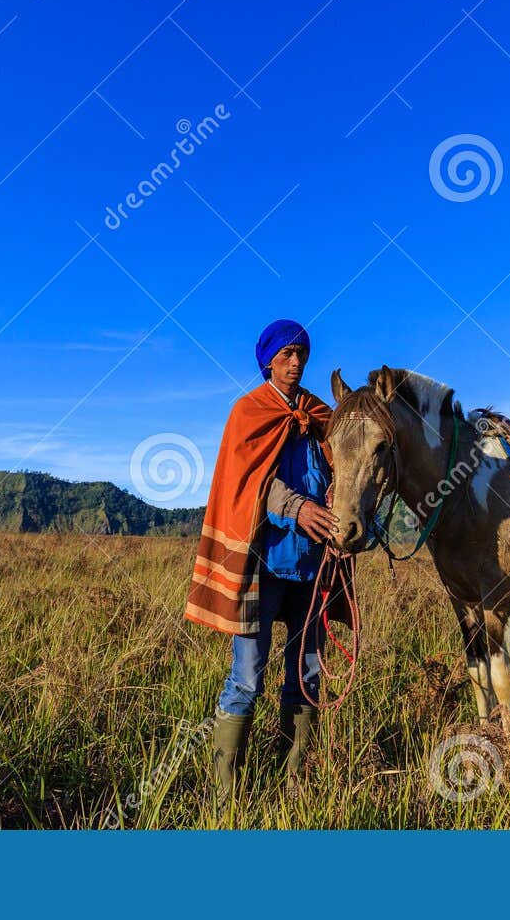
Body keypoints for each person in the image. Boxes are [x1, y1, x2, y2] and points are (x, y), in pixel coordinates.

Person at [183, 318, 346, 793]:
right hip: (263, 565)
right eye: (286, 355)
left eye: (301, 355)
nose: (296, 363)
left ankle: (293, 779)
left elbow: (343, 465)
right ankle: (225, 790)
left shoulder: (319, 414)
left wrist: (336, 497)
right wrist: (298, 508)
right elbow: (250, 483)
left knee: (307, 675)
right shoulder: (248, 413)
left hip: (313, 565)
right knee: (246, 677)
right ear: (269, 361)